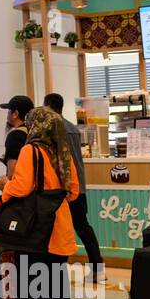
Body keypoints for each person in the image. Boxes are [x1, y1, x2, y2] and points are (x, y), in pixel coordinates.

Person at [0, 107, 79, 299]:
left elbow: (21, 186)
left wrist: (4, 187)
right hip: (60, 225)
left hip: (37, 230)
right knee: (56, 290)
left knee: (33, 292)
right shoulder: (61, 150)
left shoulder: (31, 150)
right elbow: (73, 191)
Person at [43, 93, 104, 278]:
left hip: (63, 188)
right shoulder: (72, 127)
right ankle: (97, 268)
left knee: (57, 228)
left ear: (48, 107)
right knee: (83, 227)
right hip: (79, 185)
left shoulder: (53, 128)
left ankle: (55, 270)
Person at [0, 96, 32, 178]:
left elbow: (12, 173)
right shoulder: (33, 132)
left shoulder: (15, 136)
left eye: (8, 111)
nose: (7, 115)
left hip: (20, 188)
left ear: (15, 114)